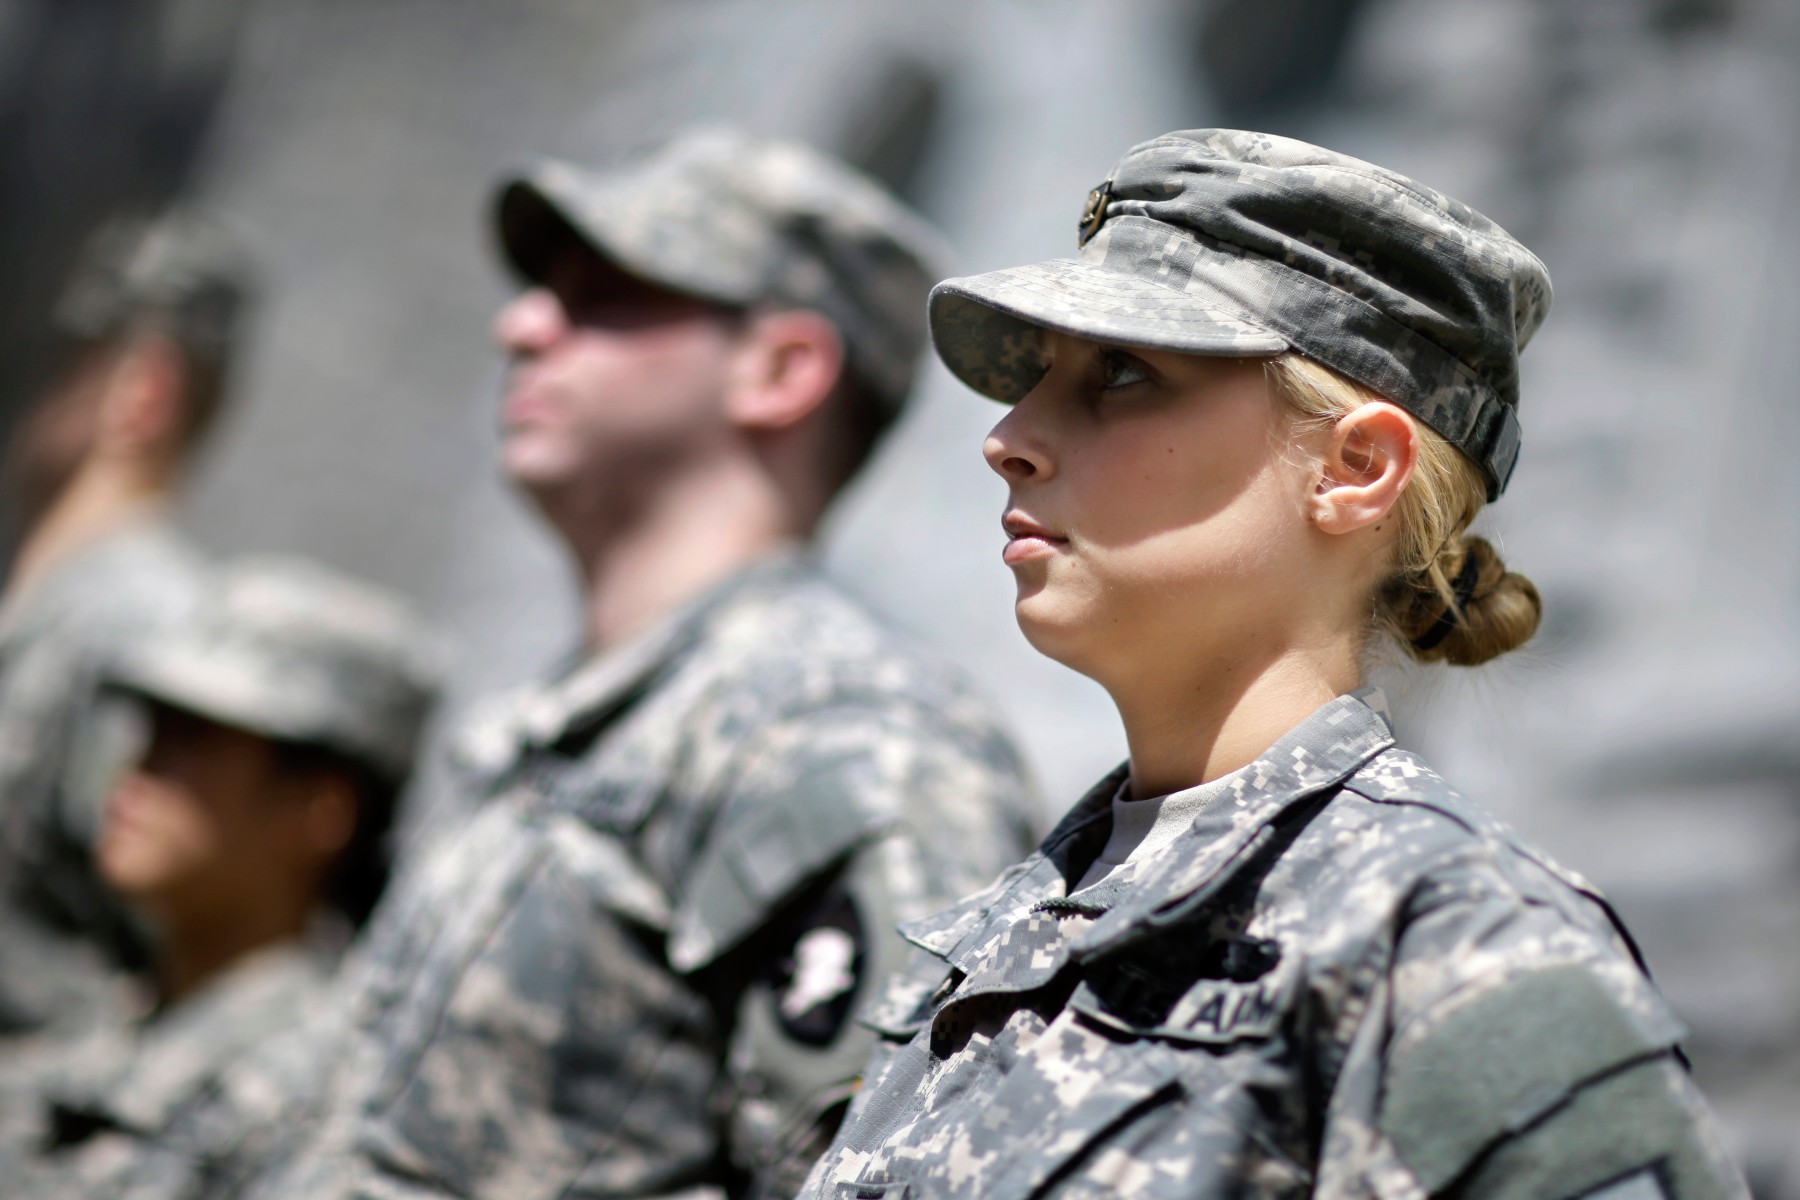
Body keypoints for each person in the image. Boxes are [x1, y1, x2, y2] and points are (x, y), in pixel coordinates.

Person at [798, 129, 1750, 1200]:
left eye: (1121, 373)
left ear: (1355, 467)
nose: (1008, 435)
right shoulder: (996, 940)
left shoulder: (1454, 944)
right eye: (1040, 375)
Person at [251, 129, 1037, 1200]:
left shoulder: (846, 739)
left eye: (605, 296)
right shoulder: (566, 722)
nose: (523, 324)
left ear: (781, 369)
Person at [0, 556, 442, 1200]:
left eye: (193, 741)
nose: (139, 770)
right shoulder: (90, 1034)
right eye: (151, 730)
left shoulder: (327, 1107)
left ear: (320, 811)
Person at [0, 213, 253, 1038]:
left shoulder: (140, 629)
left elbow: (144, 961)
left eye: (65, 359)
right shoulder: (62, 603)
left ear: (144, 390)